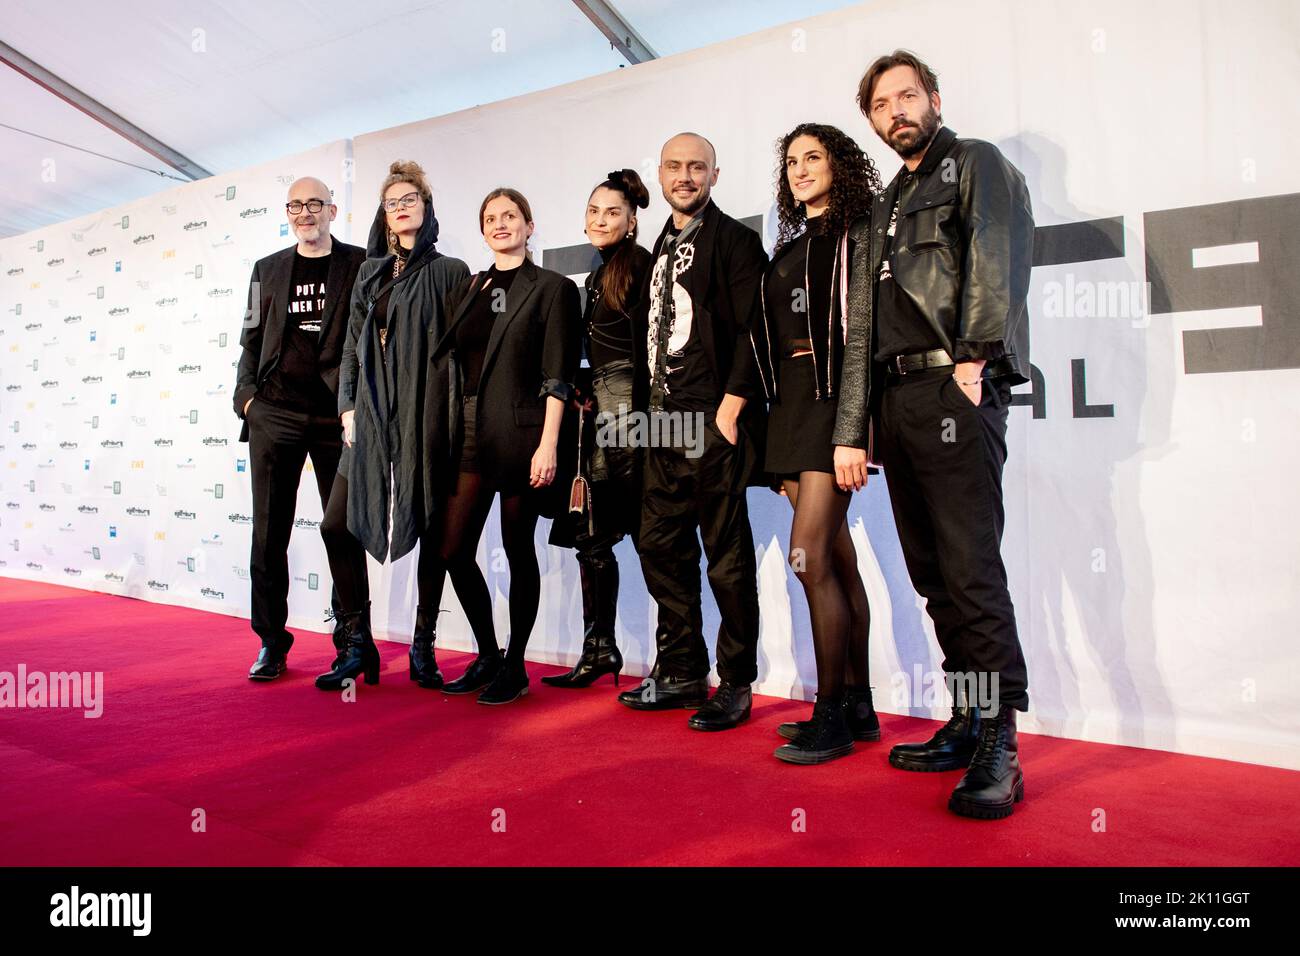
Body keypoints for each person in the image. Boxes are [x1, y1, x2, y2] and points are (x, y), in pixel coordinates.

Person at [833, 50, 1034, 818]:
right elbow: (863, 329)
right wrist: (858, 424)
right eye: (882, 104)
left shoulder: (974, 163)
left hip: (955, 383)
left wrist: (977, 357)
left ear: (935, 99)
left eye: (907, 95)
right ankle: (970, 714)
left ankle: (1000, 747)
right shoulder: (887, 200)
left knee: (970, 567)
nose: (896, 111)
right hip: (900, 399)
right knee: (934, 573)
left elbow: (996, 257)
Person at [616, 133, 768, 731]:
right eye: (675, 167)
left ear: (715, 174)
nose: (685, 176)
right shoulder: (658, 244)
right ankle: (681, 669)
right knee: (658, 545)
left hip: (709, 419)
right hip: (660, 423)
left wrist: (731, 407)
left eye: (696, 167)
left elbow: (755, 332)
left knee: (726, 559)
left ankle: (734, 683)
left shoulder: (735, 242)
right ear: (659, 174)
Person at [750, 123, 881, 763]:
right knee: (836, 557)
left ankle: (829, 716)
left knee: (807, 556)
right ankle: (858, 705)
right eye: (793, 160)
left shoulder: (859, 235)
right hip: (793, 408)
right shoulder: (792, 246)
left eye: (814, 157)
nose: (801, 169)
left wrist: (851, 431)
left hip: (835, 404)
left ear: (840, 165)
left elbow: (860, 337)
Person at [315, 160, 470, 691]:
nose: (400, 207)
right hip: (370, 417)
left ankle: (423, 641)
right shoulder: (370, 272)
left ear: (426, 210)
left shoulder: (450, 271)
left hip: (424, 414)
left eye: (410, 199)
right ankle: (359, 643)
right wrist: (348, 406)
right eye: (391, 201)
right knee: (337, 523)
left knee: (429, 525)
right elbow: (351, 346)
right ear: (384, 215)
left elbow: (460, 354)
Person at [429, 188, 582, 705]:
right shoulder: (469, 288)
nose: (500, 224)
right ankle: (489, 653)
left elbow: (558, 376)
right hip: (469, 434)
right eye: (491, 218)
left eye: (510, 216)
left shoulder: (553, 289)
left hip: (523, 436)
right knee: (452, 549)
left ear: (529, 224)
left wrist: (549, 445)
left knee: (518, 551)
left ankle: (515, 665)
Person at [235, 176, 368, 682]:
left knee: (344, 530)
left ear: (332, 210)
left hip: (338, 417)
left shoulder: (358, 264)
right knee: (269, 531)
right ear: (288, 212)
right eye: (296, 204)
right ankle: (272, 641)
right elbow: (249, 339)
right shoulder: (265, 270)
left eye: (315, 203)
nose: (305, 212)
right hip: (275, 413)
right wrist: (246, 400)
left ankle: (350, 640)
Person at [543, 170, 653, 689]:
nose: (600, 220)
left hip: (630, 421)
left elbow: (646, 356)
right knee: (592, 538)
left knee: (653, 540)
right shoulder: (595, 276)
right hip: (598, 420)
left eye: (612, 212)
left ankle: (679, 663)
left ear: (632, 221)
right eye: (593, 211)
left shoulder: (641, 267)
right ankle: (600, 648)